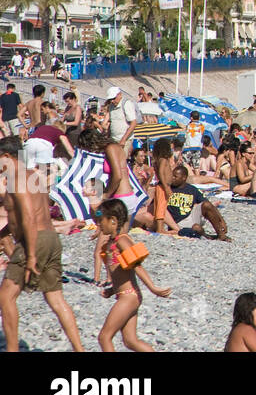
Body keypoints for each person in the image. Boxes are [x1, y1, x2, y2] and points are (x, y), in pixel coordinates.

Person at [0, 135, 85, 351]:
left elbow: (27, 216)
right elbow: (34, 214)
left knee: (6, 297)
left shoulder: (16, 179)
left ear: (7, 157)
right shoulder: (33, 178)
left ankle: (11, 349)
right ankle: (79, 349)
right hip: (51, 239)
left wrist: (30, 255)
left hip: (33, 241)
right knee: (56, 299)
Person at [91, 198, 172, 351]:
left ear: (113, 220)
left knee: (104, 337)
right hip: (126, 295)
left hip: (128, 296)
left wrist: (153, 288)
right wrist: (112, 289)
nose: (99, 224)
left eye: (101, 221)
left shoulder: (122, 241)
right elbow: (122, 273)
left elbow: (136, 266)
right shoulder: (111, 242)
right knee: (130, 340)